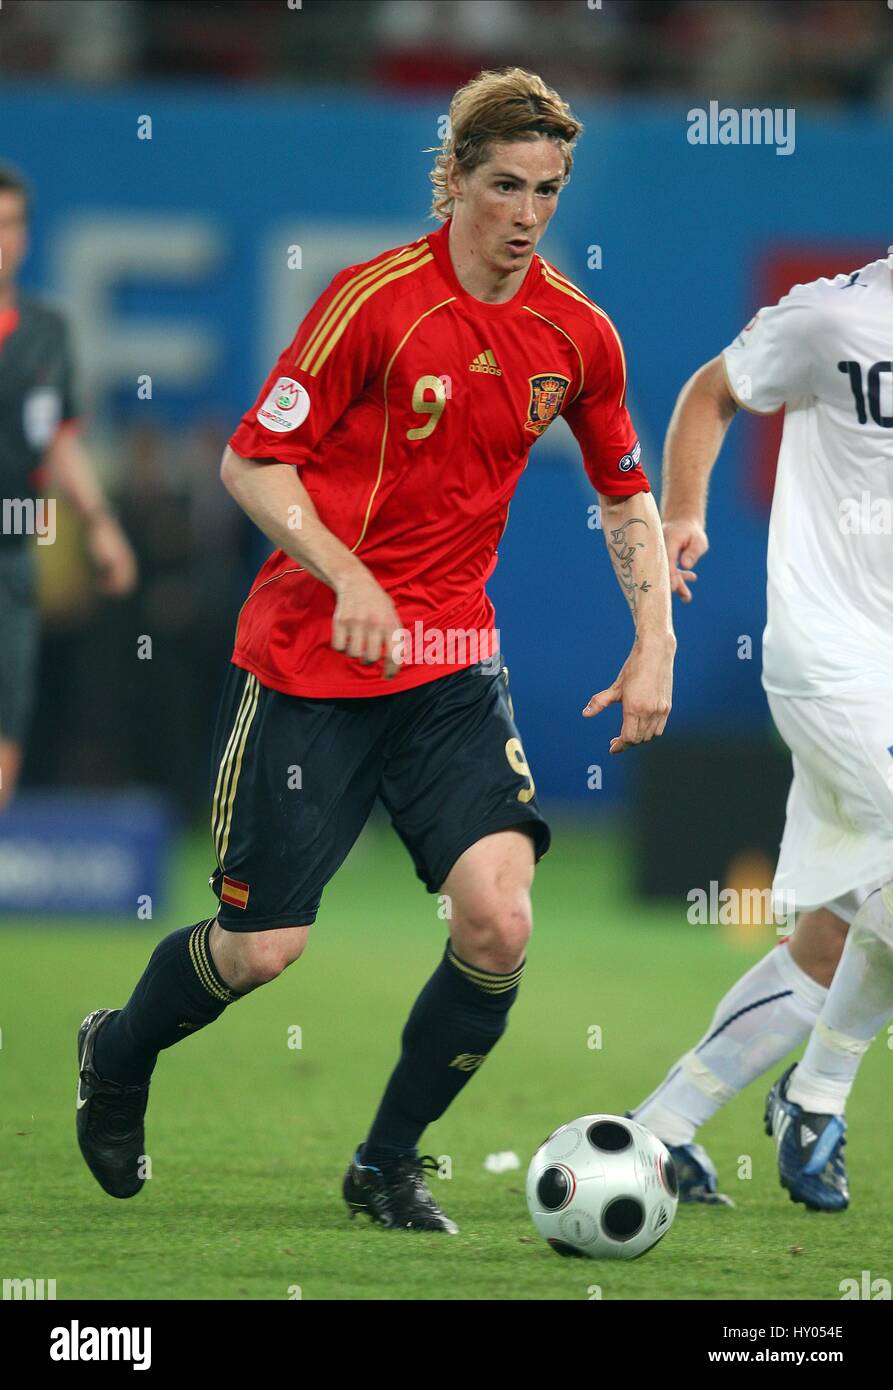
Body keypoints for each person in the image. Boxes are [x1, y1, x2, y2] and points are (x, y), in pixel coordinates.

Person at [77, 67, 675, 1232]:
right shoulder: (371, 303)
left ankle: (383, 1163)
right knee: (262, 949)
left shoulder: (575, 333)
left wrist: (654, 636)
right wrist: (346, 574)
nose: (525, 213)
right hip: (309, 661)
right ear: (450, 180)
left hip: (451, 663)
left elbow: (624, 491)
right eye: (502, 185)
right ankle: (120, 1049)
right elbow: (252, 461)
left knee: (499, 918)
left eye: (546, 190)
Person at [630, 252, 893, 1211]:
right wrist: (683, 512)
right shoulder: (835, 317)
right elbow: (712, 390)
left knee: (837, 930)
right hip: (830, 656)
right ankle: (816, 1100)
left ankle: (663, 1128)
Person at [0, 164, 137, 809]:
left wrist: (100, 522)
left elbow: (59, 439)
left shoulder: (46, 329)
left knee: (7, 721)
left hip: (12, 549)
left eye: (12, 224)